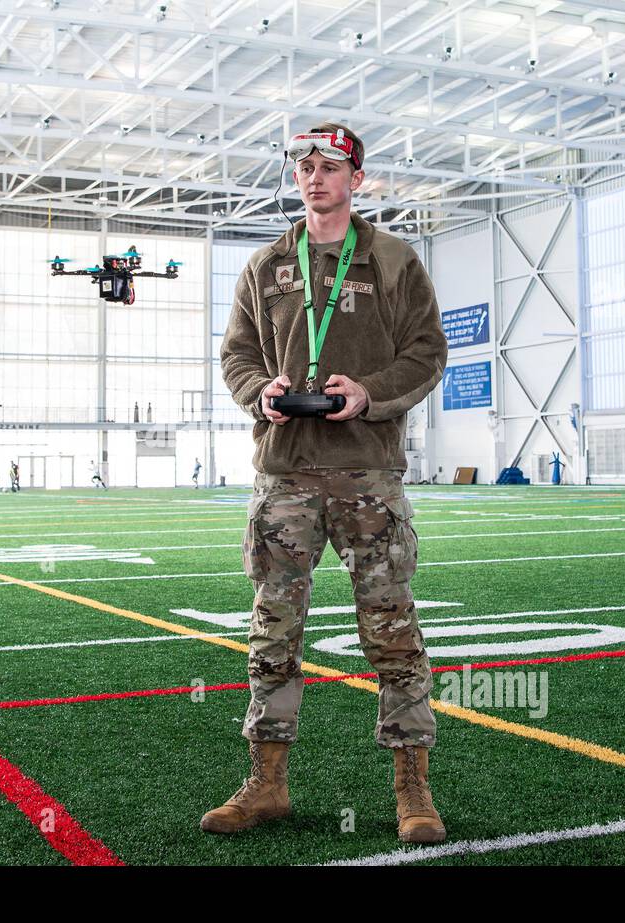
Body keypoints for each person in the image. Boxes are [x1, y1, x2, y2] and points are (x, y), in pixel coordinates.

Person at [206, 122, 449, 844]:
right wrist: (262, 391)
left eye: (331, 166)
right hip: (284, 472)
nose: (315, 177)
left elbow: (428, 352)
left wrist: (368, 392)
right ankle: (267, 782)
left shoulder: (395, 261)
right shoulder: (265, 266)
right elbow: (237, 355)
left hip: (368, 471)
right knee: (272, 630)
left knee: (392, 629)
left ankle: (413, 787)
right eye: (304, 166)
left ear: (358, 178)